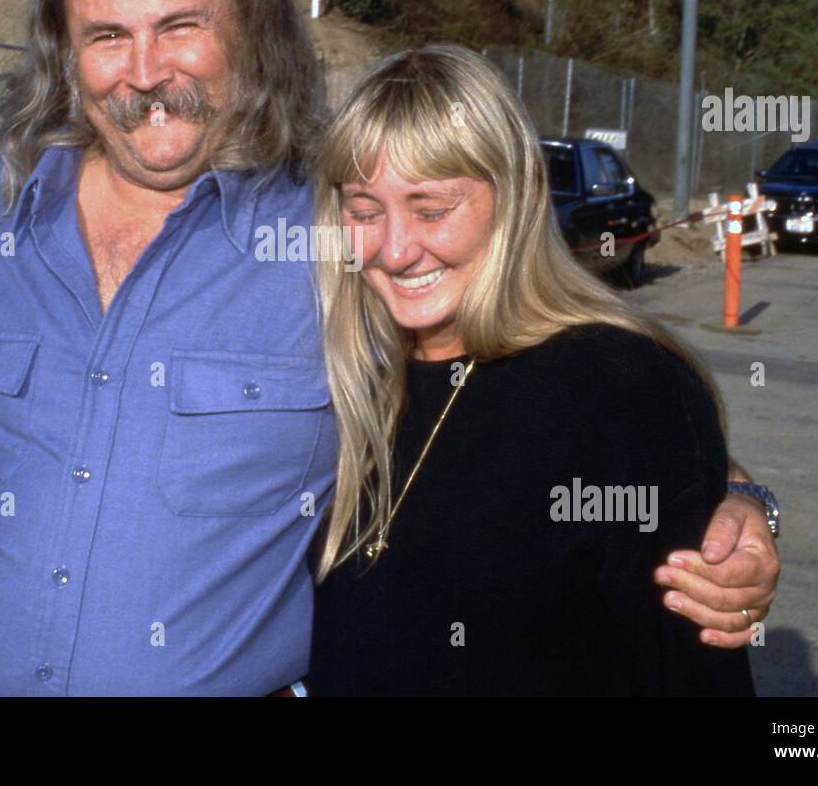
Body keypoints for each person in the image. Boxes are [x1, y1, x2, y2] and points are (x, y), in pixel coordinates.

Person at [0, 0, 778, 696]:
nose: (144, 72)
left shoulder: (330, 225)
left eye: (180, 26)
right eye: (106, 34)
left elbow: (527, 377)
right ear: (65, 54)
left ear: (251, 35)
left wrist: (728, 497)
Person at [307, 43, 758, 694]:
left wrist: (747, 505)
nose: (396, 250)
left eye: (432, 209)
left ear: (515, 197)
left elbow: (693, 678)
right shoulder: (360, 370)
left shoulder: (620, 388)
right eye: (365, 211)